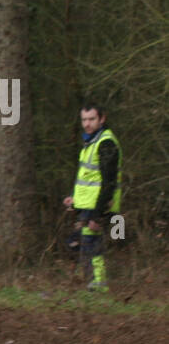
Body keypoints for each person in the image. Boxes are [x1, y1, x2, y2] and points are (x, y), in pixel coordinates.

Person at [62, 104, 122, 292]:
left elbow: (108, 182)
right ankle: (90, 282)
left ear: (101, 118)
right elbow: (88, 177)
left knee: (90, 244)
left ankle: (98, 285)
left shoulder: (106, 143)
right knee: (77, 243)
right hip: (86, 205)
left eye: (91, 119)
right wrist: (74, 197)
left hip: (98, 206)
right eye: (84, 120)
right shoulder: (91, 142)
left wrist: (98, 214)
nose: (87, 124)